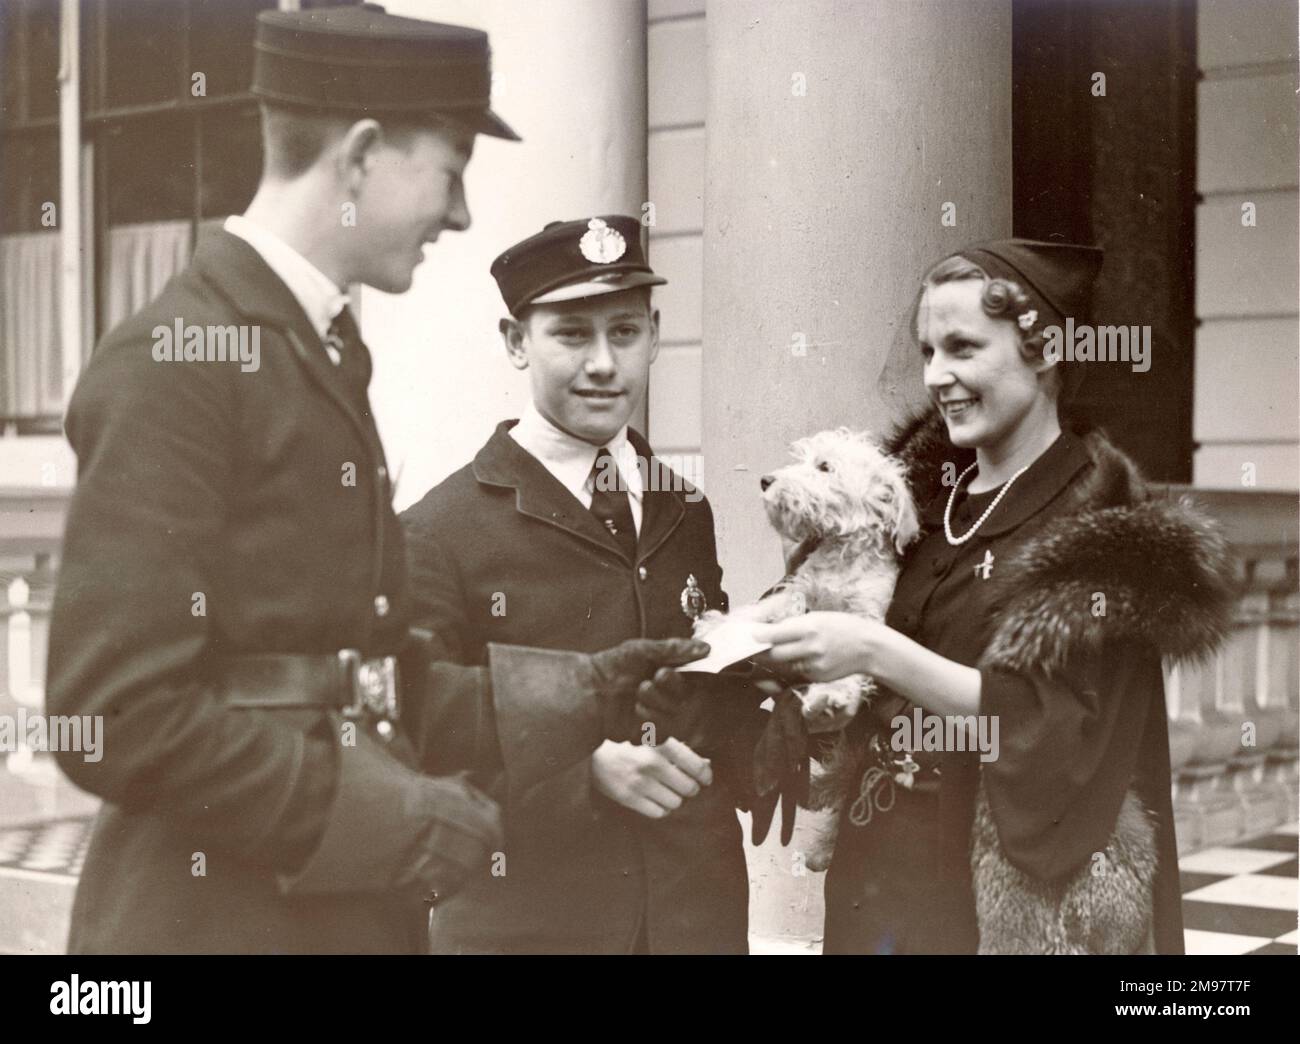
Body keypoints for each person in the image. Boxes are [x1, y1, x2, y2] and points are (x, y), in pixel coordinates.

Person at [45, 6, 702, 956]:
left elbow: (351, 681)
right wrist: (371, 819)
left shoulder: (311, 349)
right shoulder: (181, 360)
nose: (462, 213)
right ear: (359, 159)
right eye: (452, 169)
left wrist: (578, 690)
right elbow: (110, 714)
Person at [755, 239, 1233, 954]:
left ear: (1044, 352)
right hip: (875, 868)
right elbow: (835, 601)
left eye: (963, 348)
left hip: (997, 897)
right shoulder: (916, 502)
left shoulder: (1097, 524)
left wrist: (874, 650)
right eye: (927, 352)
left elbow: (1052, 727)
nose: (938, 376)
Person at [401, 216, 770, 953]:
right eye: (572, 334)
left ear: (656, 336)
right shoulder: (436, 530)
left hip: (694, 920)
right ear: (516, 342)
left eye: (625, 332)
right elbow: (411, 741)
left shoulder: (685, 506)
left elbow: (704, 688)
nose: (604, 363)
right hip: (530, 927)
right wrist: (582, 777)